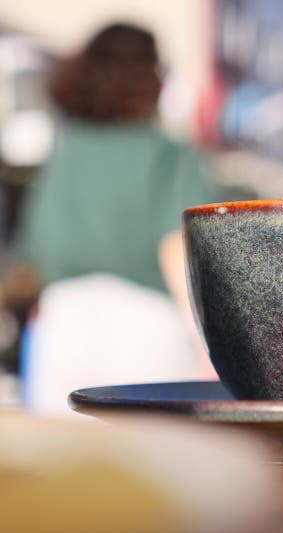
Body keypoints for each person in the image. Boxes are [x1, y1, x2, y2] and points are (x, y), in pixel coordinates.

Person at [13, 23, 218, 413]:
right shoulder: (170, 154)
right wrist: (207, 346)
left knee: (65, 469)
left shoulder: (65, 153)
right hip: (149, 332)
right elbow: (177, 246)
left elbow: (35, 256)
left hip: (61, 329)